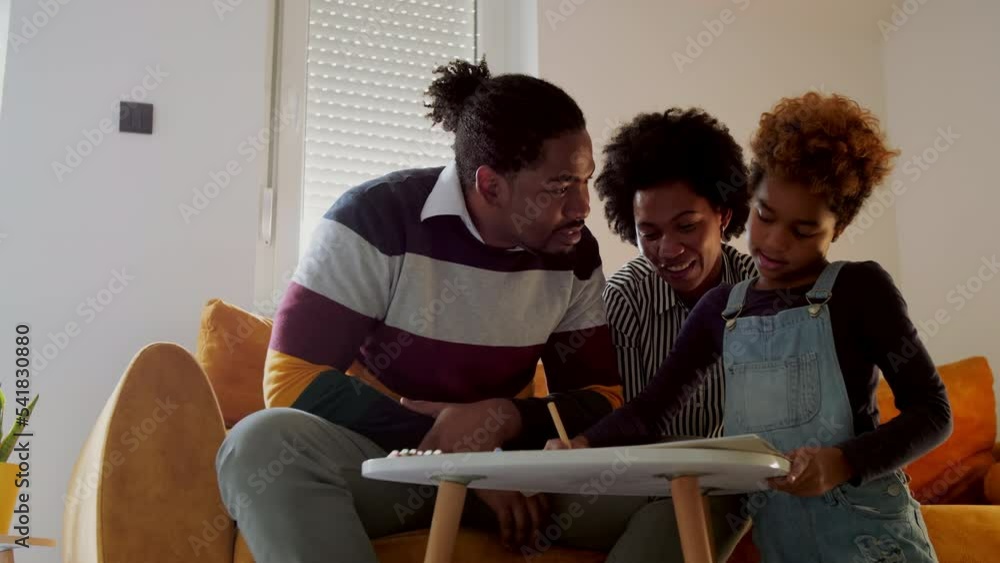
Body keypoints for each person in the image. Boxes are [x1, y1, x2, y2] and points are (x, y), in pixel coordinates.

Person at [215, 57, 628, 562]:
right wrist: (457, 459)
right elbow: (291, 378)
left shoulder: (574, 250)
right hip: (385, 466)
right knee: (259, 444)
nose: (583, 207)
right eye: (559, 187)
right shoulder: (373, 218)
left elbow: (603, 396)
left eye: (586, 180)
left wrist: (503, 420)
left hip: (513, 478)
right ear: (491, 185)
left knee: (682, 493)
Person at [550, 92, 953, 563]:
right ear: (750, 200)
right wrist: (579, 445)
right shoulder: (721, 308)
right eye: (765, 217)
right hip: (782, 536)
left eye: (802, 231)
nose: (775, 243)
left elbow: (933, 411)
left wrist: (845, 461)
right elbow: (650, 410)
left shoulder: (860, 289)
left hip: (870, 534)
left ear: (837, 228)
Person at [592, 108, 758, 561]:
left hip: (734, 487)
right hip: (640, 481)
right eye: (649, 233)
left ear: (723, 214)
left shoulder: (766, 293)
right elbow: (624, 419)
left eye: (687, 226)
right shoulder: (625, 299)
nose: (668, 249)